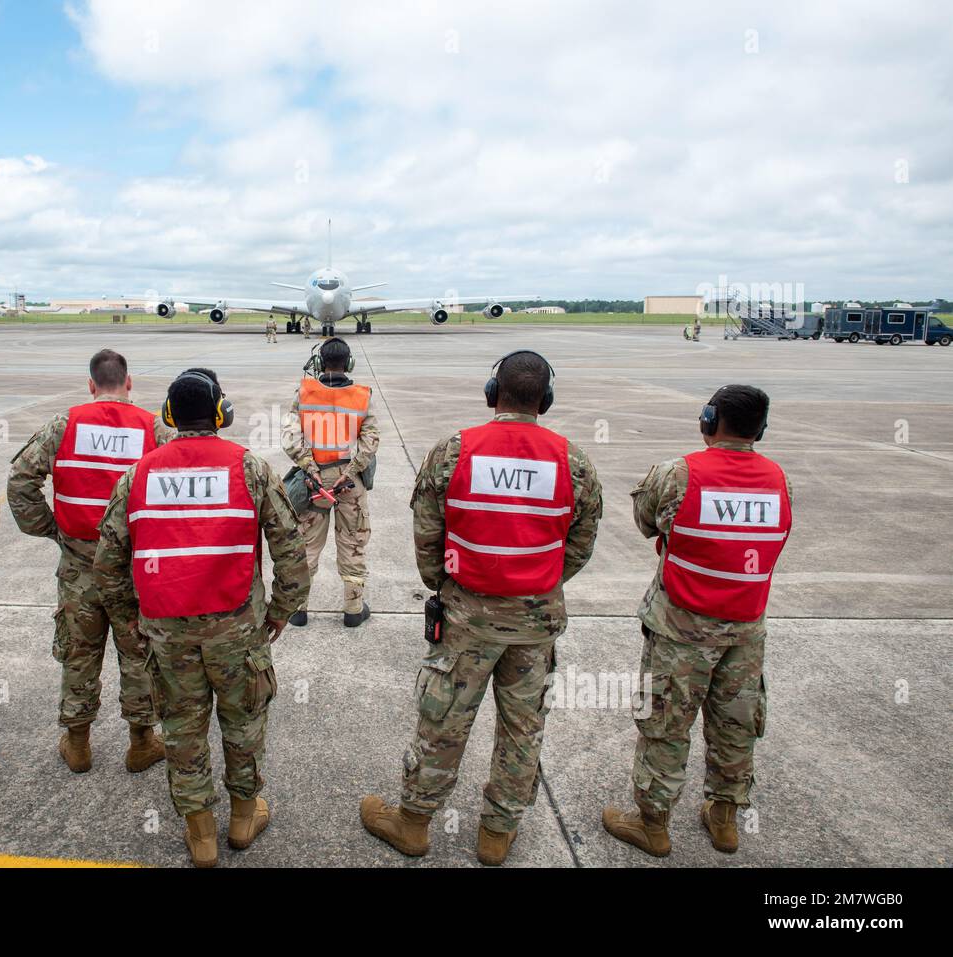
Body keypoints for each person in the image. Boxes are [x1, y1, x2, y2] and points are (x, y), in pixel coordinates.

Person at [359, 350, 602, 866]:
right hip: (536, 623)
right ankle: (496, 833)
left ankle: (414, 822)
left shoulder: (455, 450)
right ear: (546, 400)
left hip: (467, 616)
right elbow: (580, 543)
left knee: (443, 718)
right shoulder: (573, 461)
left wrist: (440, 582)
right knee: (523, 726)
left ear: (493, 393)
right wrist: (540, 583)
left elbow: (427, 530)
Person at [93, 368, 309, 868]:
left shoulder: (138, 475)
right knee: (244, 723)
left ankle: (202, 834)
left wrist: (131, 623)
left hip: (167, 634)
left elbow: (108, 565)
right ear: (220, 415)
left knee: (183, 728)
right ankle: (242, 817)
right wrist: (279, 612)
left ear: (168, 416)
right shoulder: (250, 468)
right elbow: (291, 553)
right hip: (238, 630)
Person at [603, 385, 791, 857]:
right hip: (746, 628)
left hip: (682, 628)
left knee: (666, 725)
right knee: (736, 725)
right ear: (760, 429)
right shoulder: (778, 479)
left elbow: (647, 522)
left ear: (709, 419)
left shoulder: (679, 473)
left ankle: (653, 824)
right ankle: (724, 818)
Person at [7, 349, 173, 773]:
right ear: (129, 382)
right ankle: (142, 742)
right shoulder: (153, 427)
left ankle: (78, 743)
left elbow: (21, 480)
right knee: (137, 650)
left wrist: (49, 528)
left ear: (91, 385)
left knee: (80, 651)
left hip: (79, 562)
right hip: (134, 567)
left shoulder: (66, 424)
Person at [280, 337, 379, 627]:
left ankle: (298, 610)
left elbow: (290, 438)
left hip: (315, 483)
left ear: (320, 363)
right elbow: (370, 441)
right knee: (353, 542)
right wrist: (351, 471)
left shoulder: (304, 392)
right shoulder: (362, 396)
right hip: (350, 483)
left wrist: (310, 470)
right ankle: (352, 609)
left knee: (307, 544)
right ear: (349, 363)